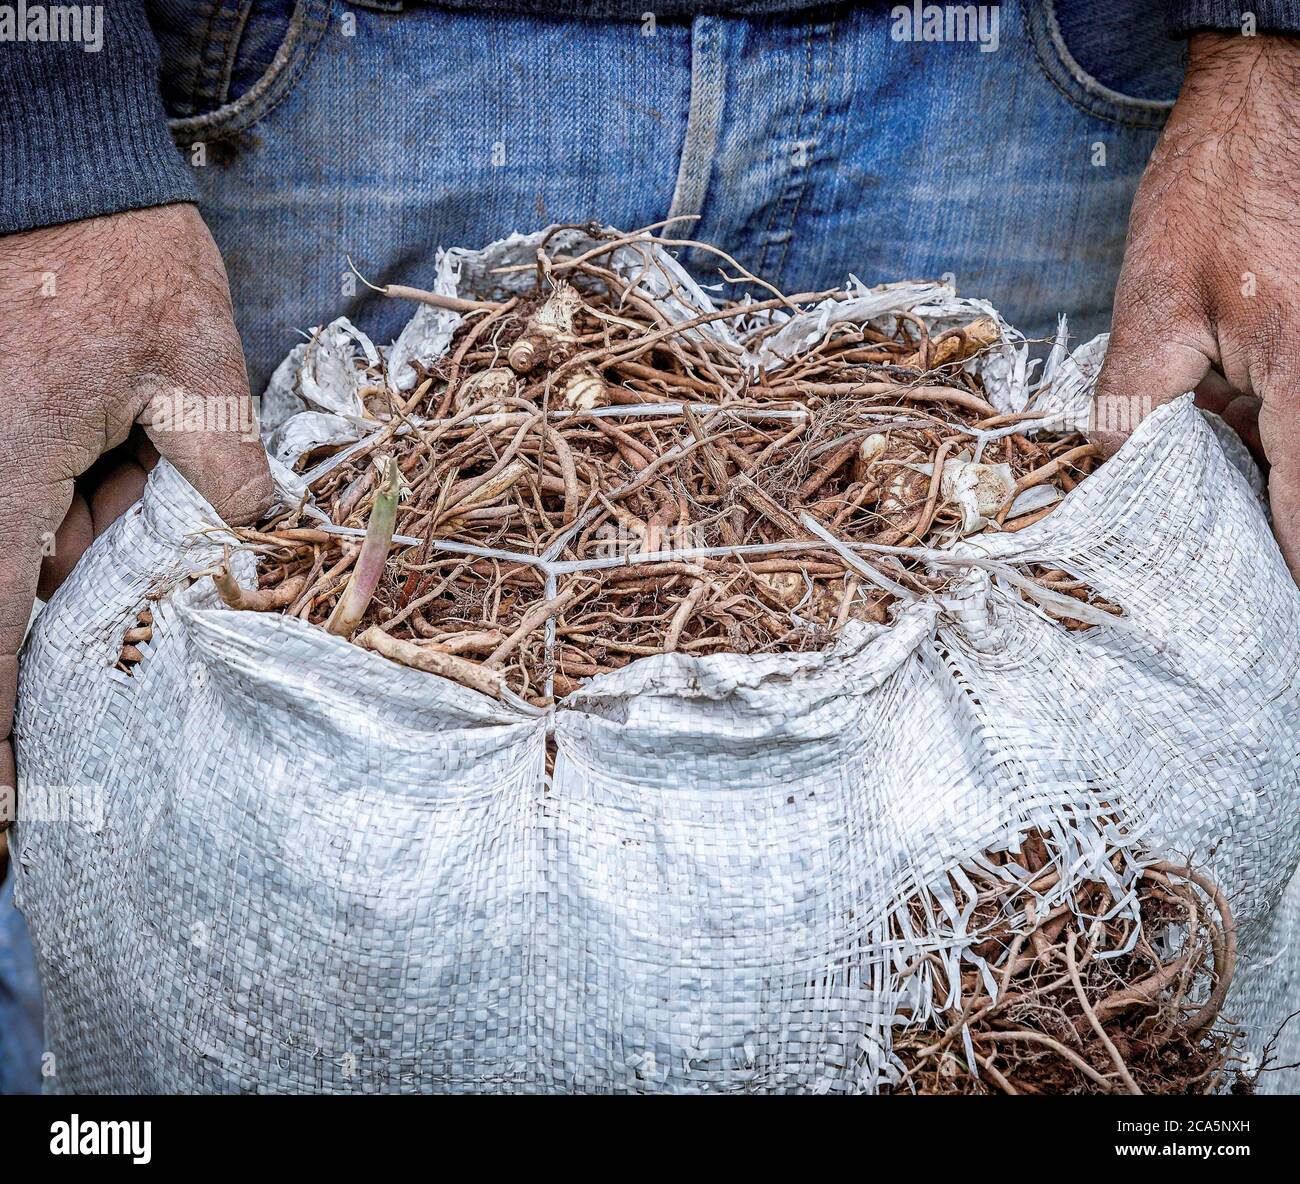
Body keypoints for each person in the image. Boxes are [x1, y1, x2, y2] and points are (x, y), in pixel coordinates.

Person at [1, 0, 1297, 1091]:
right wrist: (49, 151)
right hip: (303, 85)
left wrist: (1272, 50)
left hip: (1053, 77)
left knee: (1050, 777)